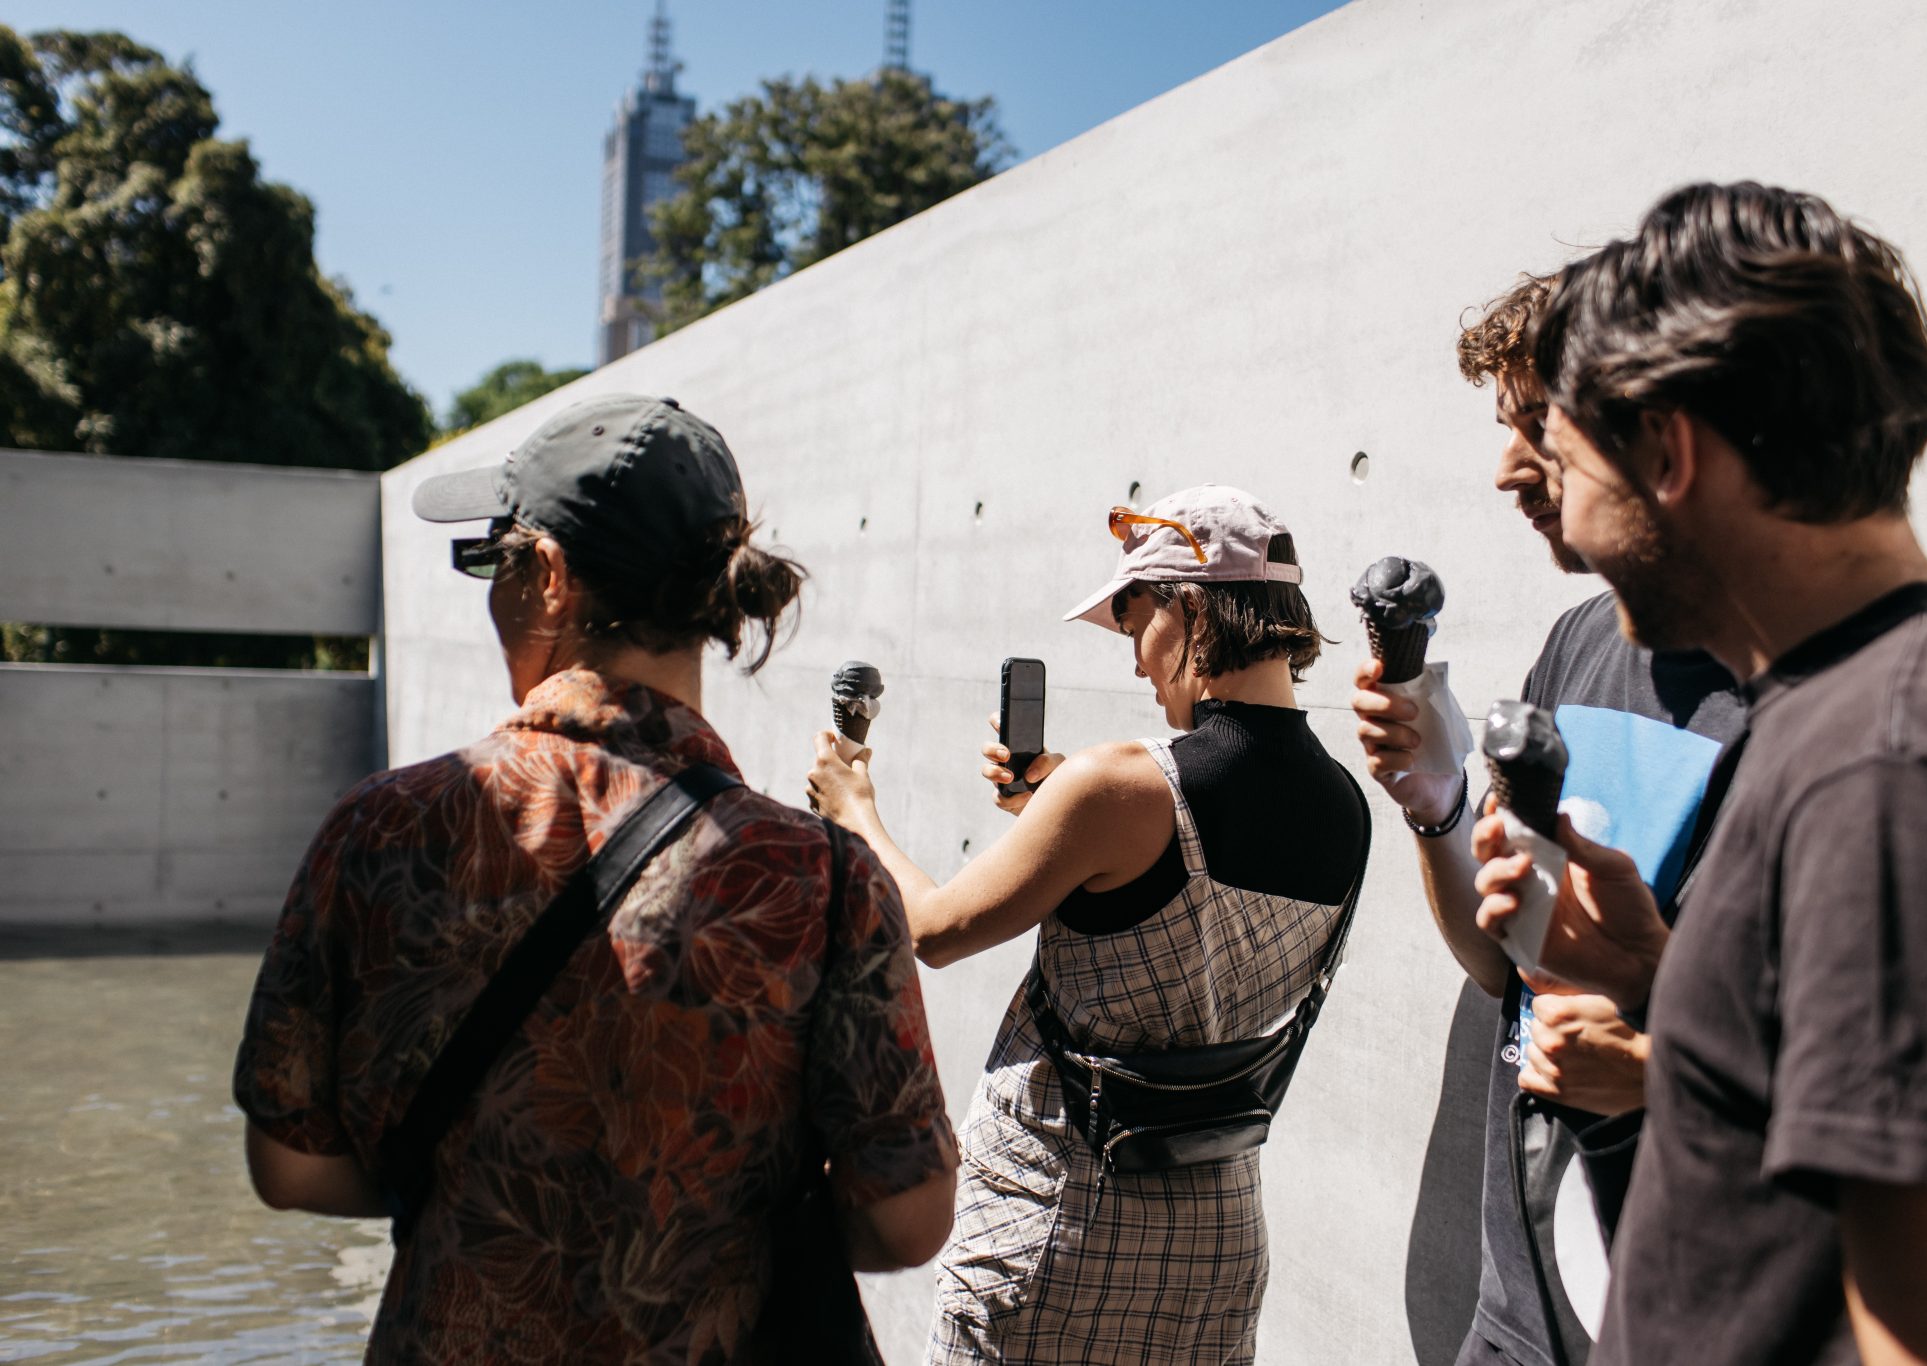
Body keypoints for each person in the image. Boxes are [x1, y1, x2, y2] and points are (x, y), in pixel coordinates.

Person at [233, 395, 958, 1362]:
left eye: (491, 561)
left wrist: (489, 1189)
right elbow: (906, 1222)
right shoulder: (821, 877)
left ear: (545, 574)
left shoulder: (382, 827)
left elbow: (289, 1166)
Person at [1471, 182, 1927, 1363]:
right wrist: (1655, 980)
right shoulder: (1872, 712)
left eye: (1563, 449)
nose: (1544, 493)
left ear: (1668, 453)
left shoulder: (1889, 767)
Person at [807, 485, 1370, 1365]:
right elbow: (1189, 912)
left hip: (1061, 1230)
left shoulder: (1120, 785)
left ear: (1188, 611)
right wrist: (1055, 808)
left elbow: (933, 930)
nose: (1136, 663)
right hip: (1217, 1252)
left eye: (1133, 620)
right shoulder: (1348, 806)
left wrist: (856, 814)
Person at [1351, 278, 1743, 1364]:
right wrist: (1434, 805)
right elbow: (1499, 968)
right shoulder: (1577, 643)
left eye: (1537, 427)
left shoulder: (1802, 703)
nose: (1509, 468)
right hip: (1516, 1308)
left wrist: (1664, 1062)